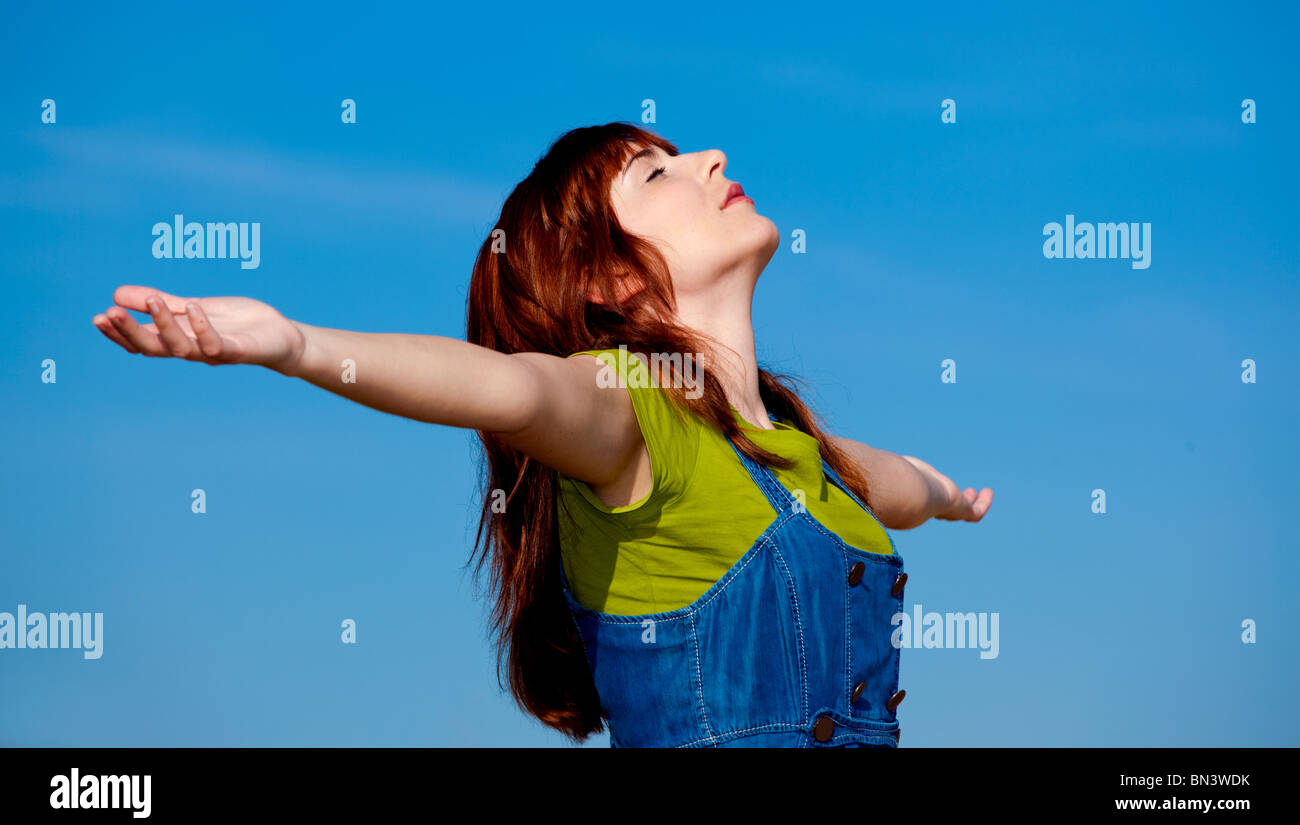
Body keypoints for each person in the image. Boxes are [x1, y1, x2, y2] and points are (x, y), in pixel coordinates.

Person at [92, 121, 993, 747]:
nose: (711, 159)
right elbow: (510, 390)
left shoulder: (801, 449)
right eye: (657, 174)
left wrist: (952, 498)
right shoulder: (632, 414)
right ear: (607, 283)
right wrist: (295, 345)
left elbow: (897, 483)